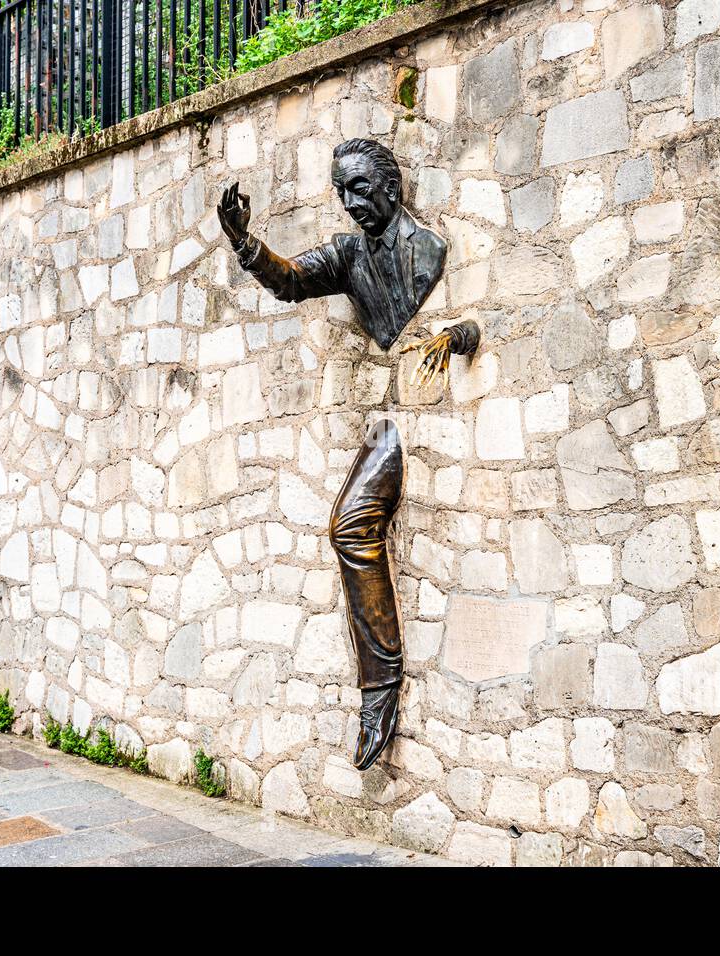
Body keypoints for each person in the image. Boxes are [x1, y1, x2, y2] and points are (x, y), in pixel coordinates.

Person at [217, 138, 480, 770]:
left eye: (359, 187)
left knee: (349, 526)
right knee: (347, 527)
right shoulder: (347, 254)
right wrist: (244, 244)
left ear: (392, 185)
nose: (349, 201)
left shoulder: (430, 249)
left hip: (419, 419)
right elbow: (291, 279)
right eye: (340, 191)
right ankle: (379, 687)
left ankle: (380, 688)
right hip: (386, 422)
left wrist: (457, 334)